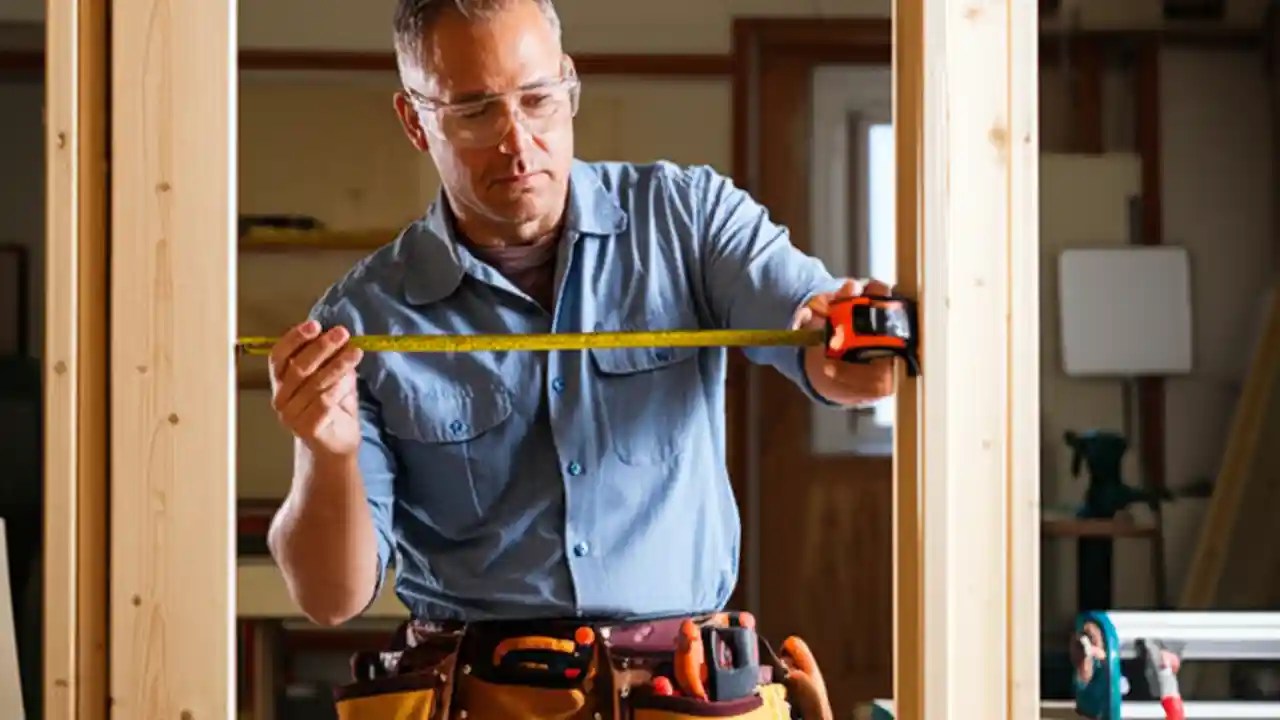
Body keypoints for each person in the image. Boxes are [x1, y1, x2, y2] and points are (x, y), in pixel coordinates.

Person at [264, 0, 895, 630]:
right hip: (480, 692)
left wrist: (857, 348)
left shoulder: (691, 218)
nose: (517, 142)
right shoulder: (361, 319)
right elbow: (330, 599)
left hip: (681, 685)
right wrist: (327, 453)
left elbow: (825, 347)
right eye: (476, 111)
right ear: (415, 121)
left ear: (570, 85)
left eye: (537, 99)